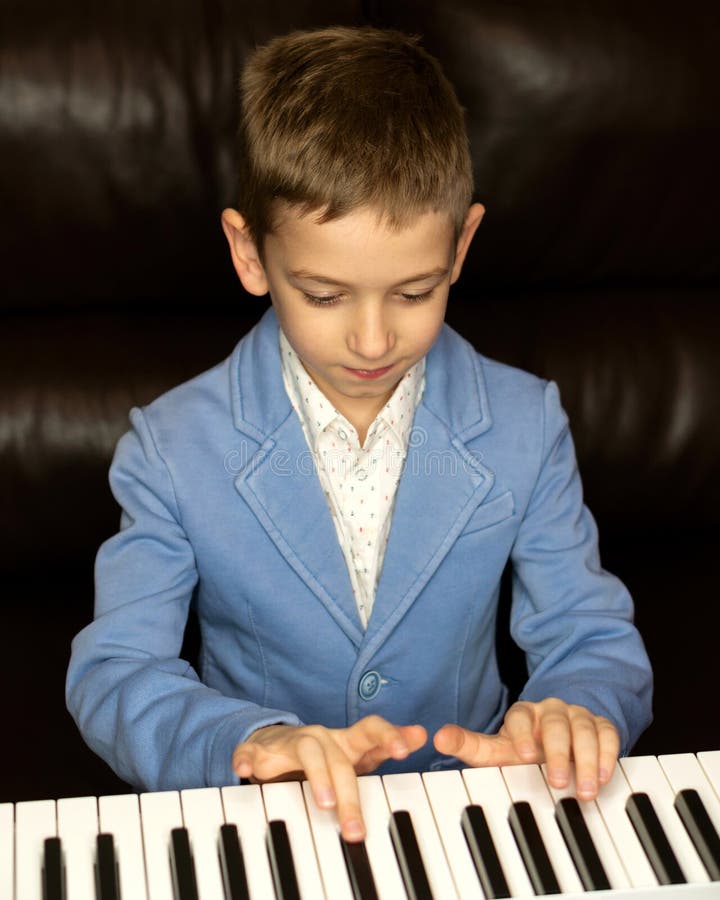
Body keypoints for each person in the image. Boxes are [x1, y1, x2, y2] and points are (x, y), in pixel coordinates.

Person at [66, 26, 652, 843]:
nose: (372, 342)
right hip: (273, 819)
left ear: (462, 247)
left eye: (413, 292)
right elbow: (115, 672)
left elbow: (591, 637)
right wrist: (251, 741)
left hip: (472, 817)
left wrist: (575, 709)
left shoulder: (526, 422)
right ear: (249, 254)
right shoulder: (169, 448)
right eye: (325, 295)